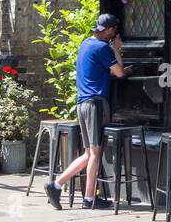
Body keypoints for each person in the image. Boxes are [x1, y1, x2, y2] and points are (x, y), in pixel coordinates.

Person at [45, 14, 131, 211]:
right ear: (110, 31)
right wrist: (117, 50)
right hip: (96, 104)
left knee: (88, 152)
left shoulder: (85, 44)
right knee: (95, 152)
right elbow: (119, 72)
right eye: (113, 32)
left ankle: (57, 186)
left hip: (82, 103)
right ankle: (87, 197)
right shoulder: (103, 48)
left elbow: (101, 70)